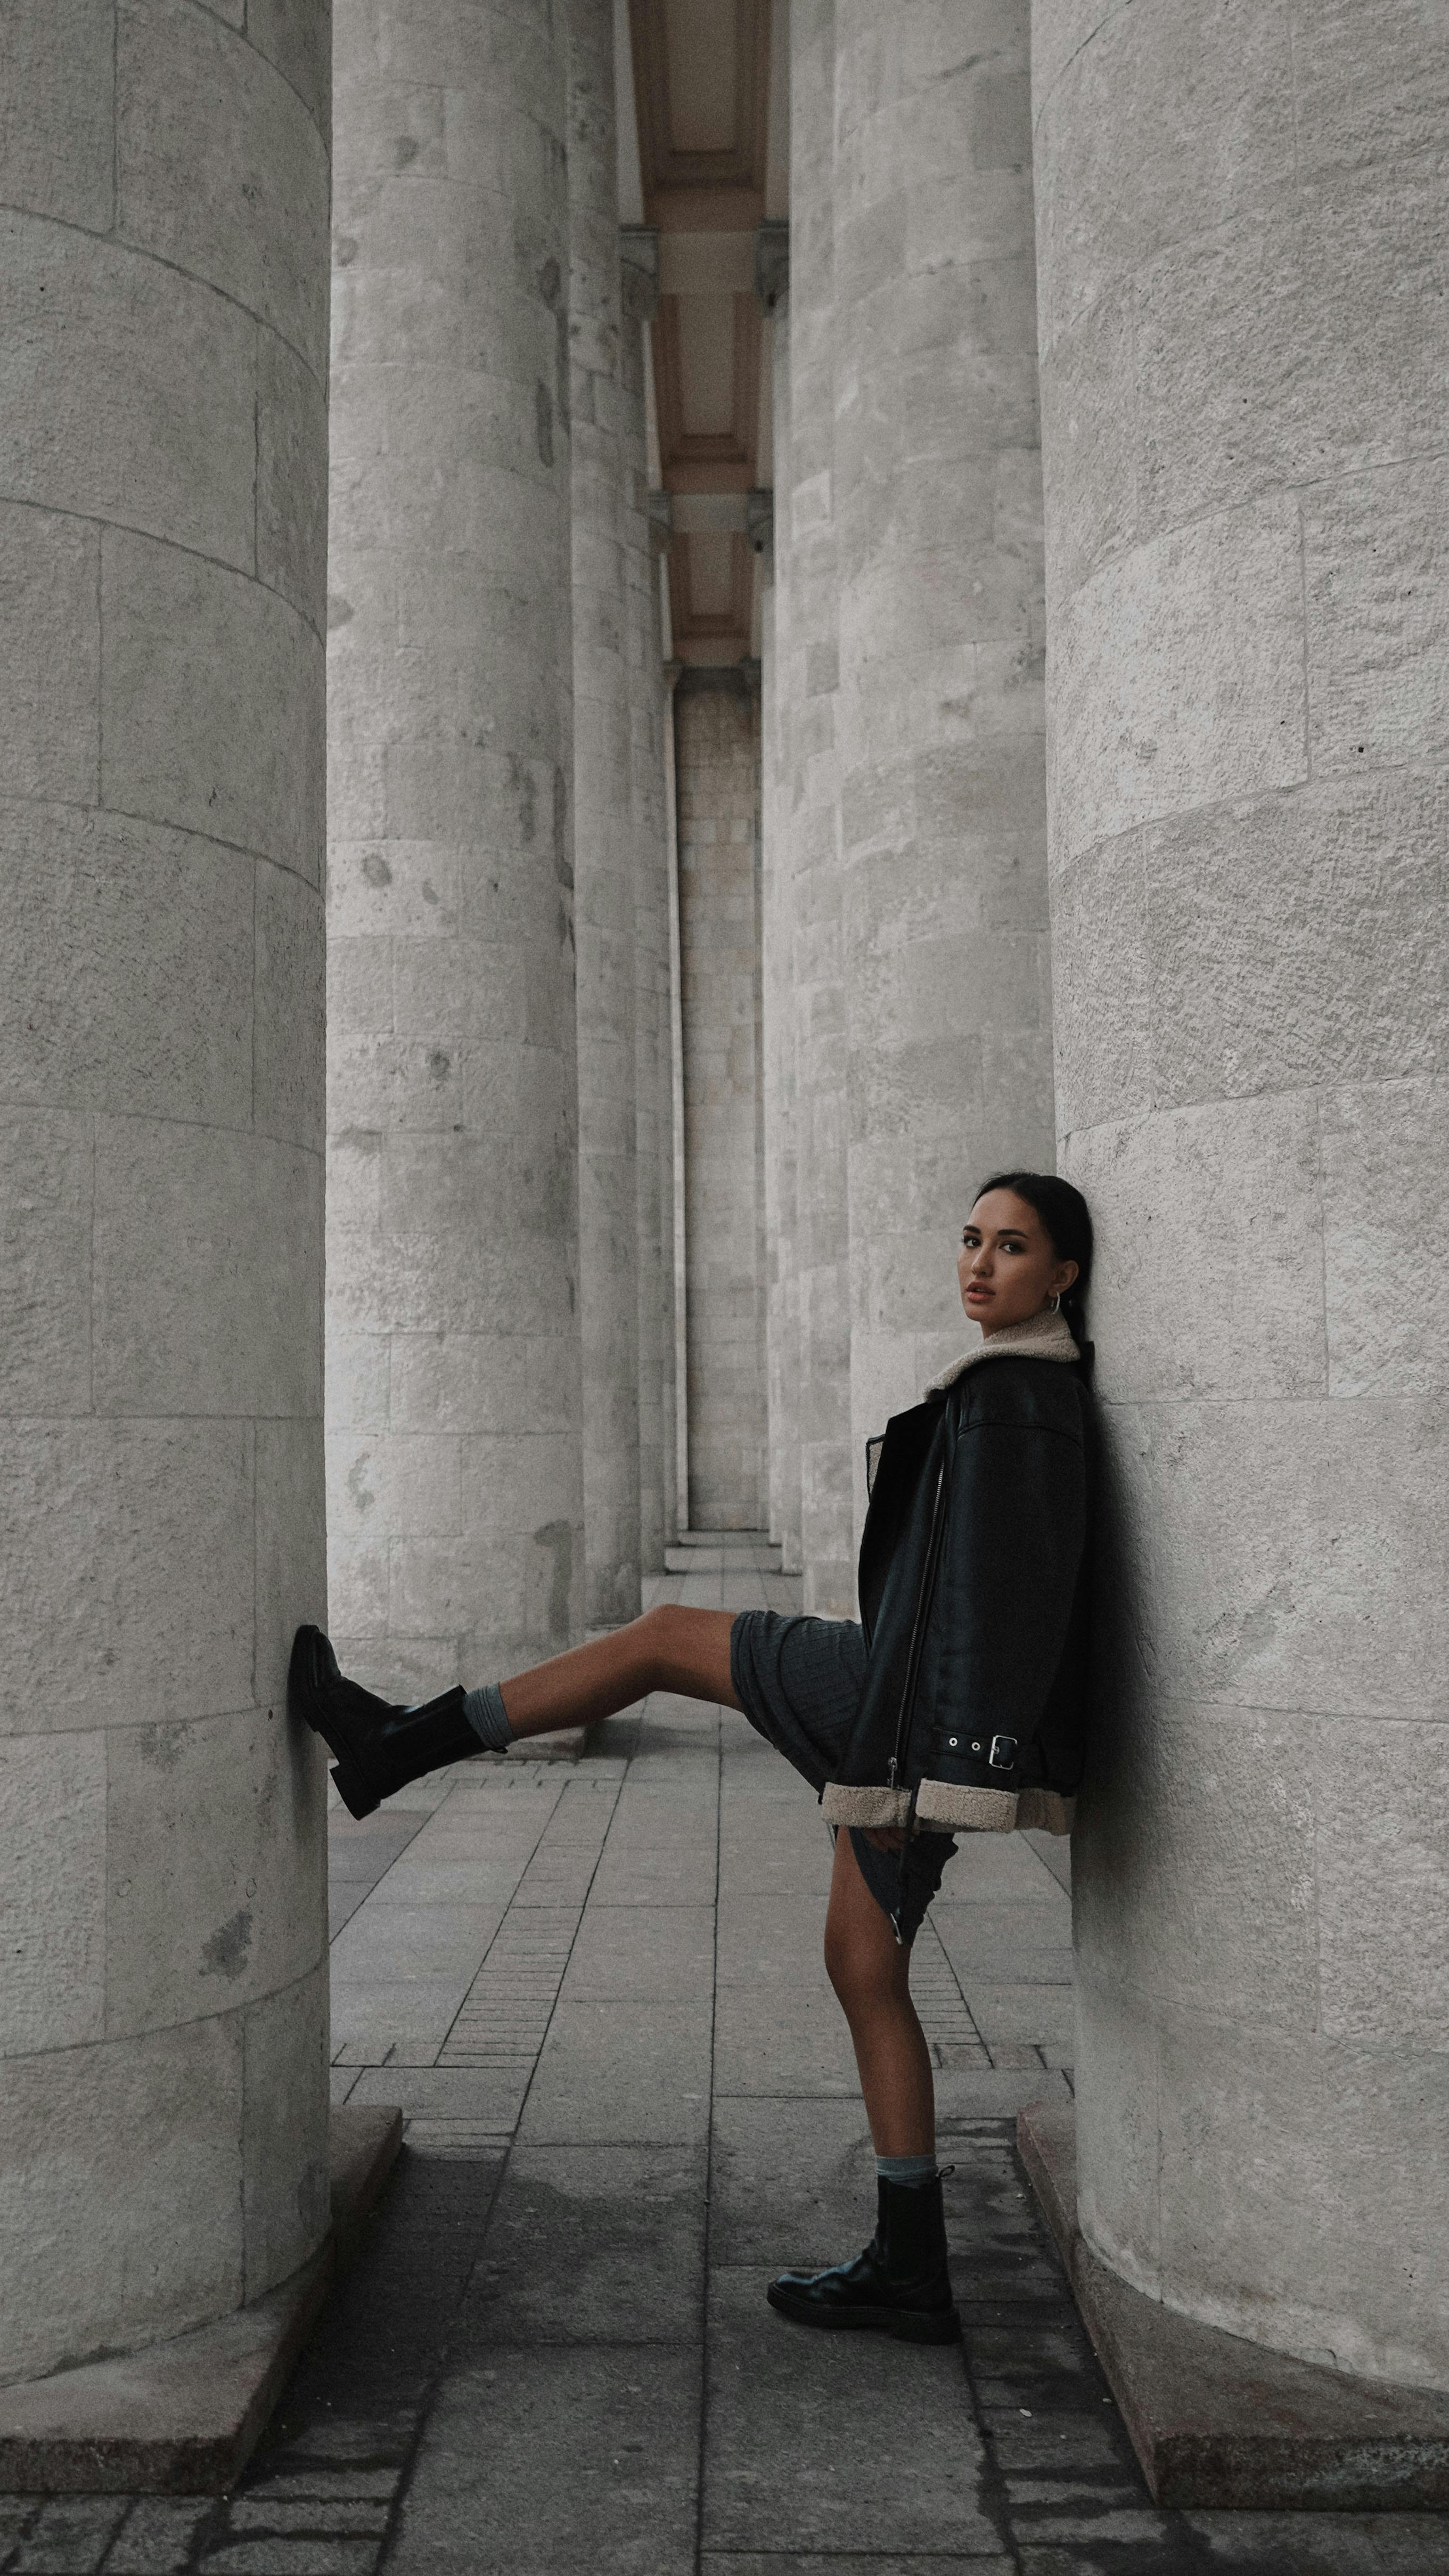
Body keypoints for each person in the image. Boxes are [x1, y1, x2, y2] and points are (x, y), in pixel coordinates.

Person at [291, 1171, 1096, 2348]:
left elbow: (1006, 1600)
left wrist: (936, 1768)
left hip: (899, 1709)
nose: (978, 1263)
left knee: (663, 1640)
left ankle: (396, 1743)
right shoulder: (1019, 1385)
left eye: (1011, 1247)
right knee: (860, 1966)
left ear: (1060, 1273)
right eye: (970, 1239)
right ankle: (910, 2264)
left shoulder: (1018, 1398)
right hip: (905, 1700)